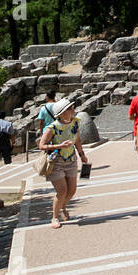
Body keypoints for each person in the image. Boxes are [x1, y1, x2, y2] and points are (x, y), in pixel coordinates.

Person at [38, 98, 88, 229]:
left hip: (71, 160)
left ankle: (62, 206)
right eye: (70, 108)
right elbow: (41, 145)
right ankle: (54, 217)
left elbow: (77, 140)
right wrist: (60, 145)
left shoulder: (75, 123)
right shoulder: (52, 127)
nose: (73, 109)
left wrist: (82, 155)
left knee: (71, 190)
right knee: (62, 191)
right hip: (56, 162)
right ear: (62, 113)